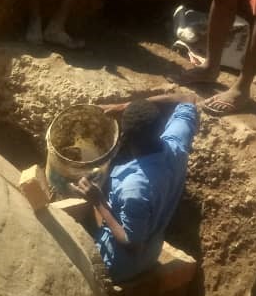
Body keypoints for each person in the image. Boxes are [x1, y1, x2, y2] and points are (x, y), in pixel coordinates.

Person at [74, 93, 200, 282]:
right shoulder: (176, 142)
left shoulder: (134, 188)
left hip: (120, 264)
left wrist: (98, 201)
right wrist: (127, 106)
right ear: (161, 126)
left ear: (124, 137)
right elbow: (188, 98)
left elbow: (132, 243)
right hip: (152, 249)